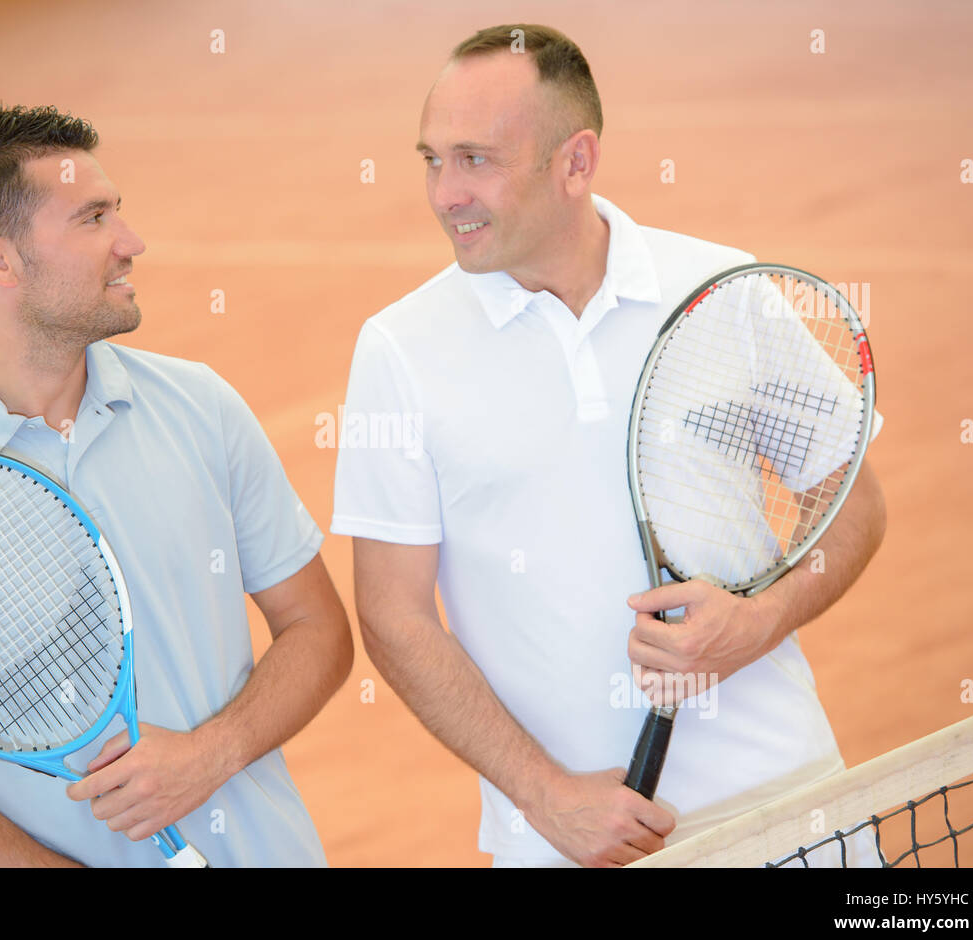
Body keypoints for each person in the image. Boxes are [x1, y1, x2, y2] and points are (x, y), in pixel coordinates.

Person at [331, 25, 887, 867]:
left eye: (477, 159)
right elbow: (394, 615)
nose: (446, 192)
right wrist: (546, 795)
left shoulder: (720, 288)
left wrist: (759, 620)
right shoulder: (398, 348)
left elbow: (853, 498)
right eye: (431, 158)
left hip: (792, 813)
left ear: (576, 161)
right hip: (569, 844)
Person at [0, 104, 353, 867]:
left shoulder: (200, 405)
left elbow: (319, 630)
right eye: (93, 218)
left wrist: (212, 752)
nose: (131, 244)